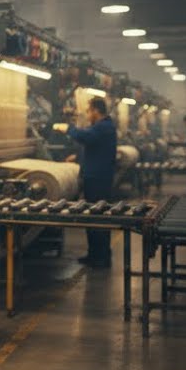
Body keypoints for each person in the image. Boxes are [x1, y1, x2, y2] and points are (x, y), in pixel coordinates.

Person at [56, 96, 117, 267]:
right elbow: (94, 146)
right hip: (95, 177)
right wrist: (78, 157)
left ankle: (102, 257)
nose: (87, 114)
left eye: (89, 111)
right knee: (92, 217)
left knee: (98, 218)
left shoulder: (103, 127)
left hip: (98, 179)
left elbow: (86, 137)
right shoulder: (102, 127)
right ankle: (94, 254)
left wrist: (68, 128)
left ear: (96, 110)